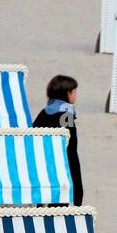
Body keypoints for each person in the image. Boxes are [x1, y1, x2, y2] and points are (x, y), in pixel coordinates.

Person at [33, 75, 84, 205]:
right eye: (74, 91)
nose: (76, 95)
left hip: (42, 169)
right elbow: (71, 149)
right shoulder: (66, 115)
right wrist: (78, 191)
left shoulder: (44, 112)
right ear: (67, 93)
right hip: (60, 171)